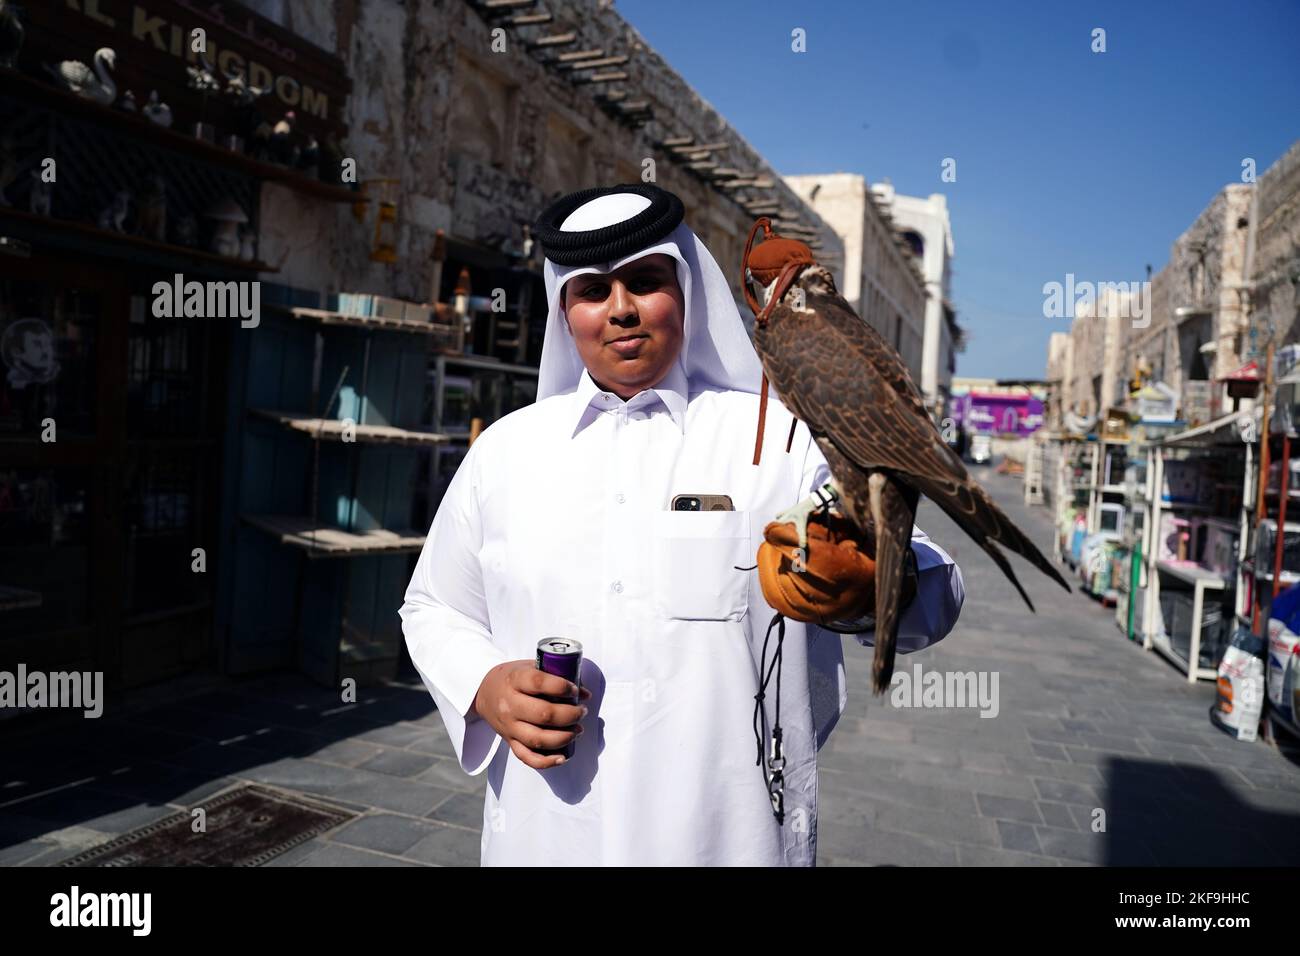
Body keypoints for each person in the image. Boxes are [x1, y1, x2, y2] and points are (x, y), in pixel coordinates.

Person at [400, 183, 965, 866]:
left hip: (729, 838)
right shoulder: (506, 455)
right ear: (564, 310)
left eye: (644, 282)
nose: (621, 310)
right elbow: (433, 606)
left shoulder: (779, 443)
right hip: (546, 836)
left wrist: (871, 586)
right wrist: (485, 685)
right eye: (592, 291)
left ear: (687, 291)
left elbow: (935, 592)